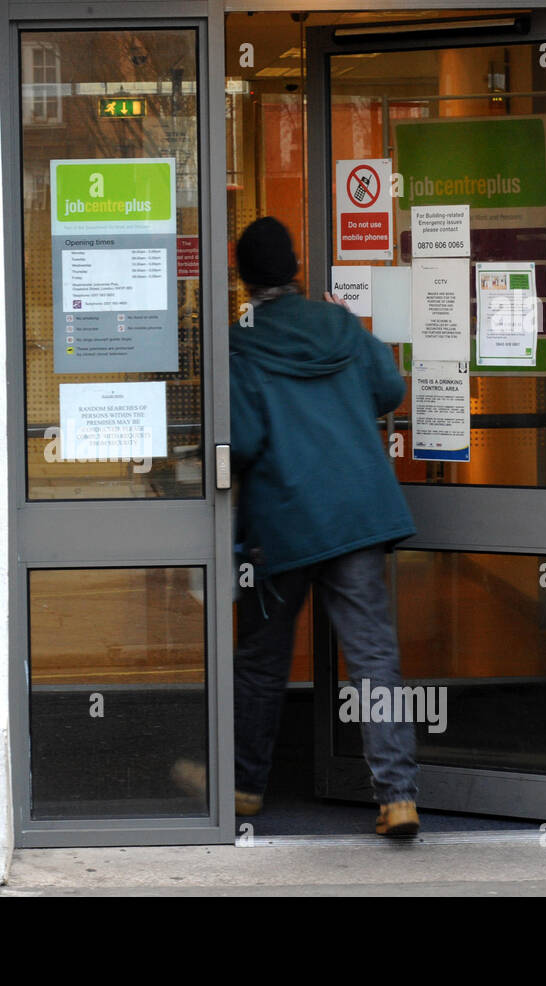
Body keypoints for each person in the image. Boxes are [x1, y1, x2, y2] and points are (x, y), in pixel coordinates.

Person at [175, 216, 421, 837]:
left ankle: (242, 786)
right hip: (358, 517)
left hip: (284, 524)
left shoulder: (242, 342)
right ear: (295, 268)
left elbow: (248, 440)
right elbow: (390, 389)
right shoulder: (339, 323)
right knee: (373, 657)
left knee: (262, 659)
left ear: (244, 278)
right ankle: (398, 798)